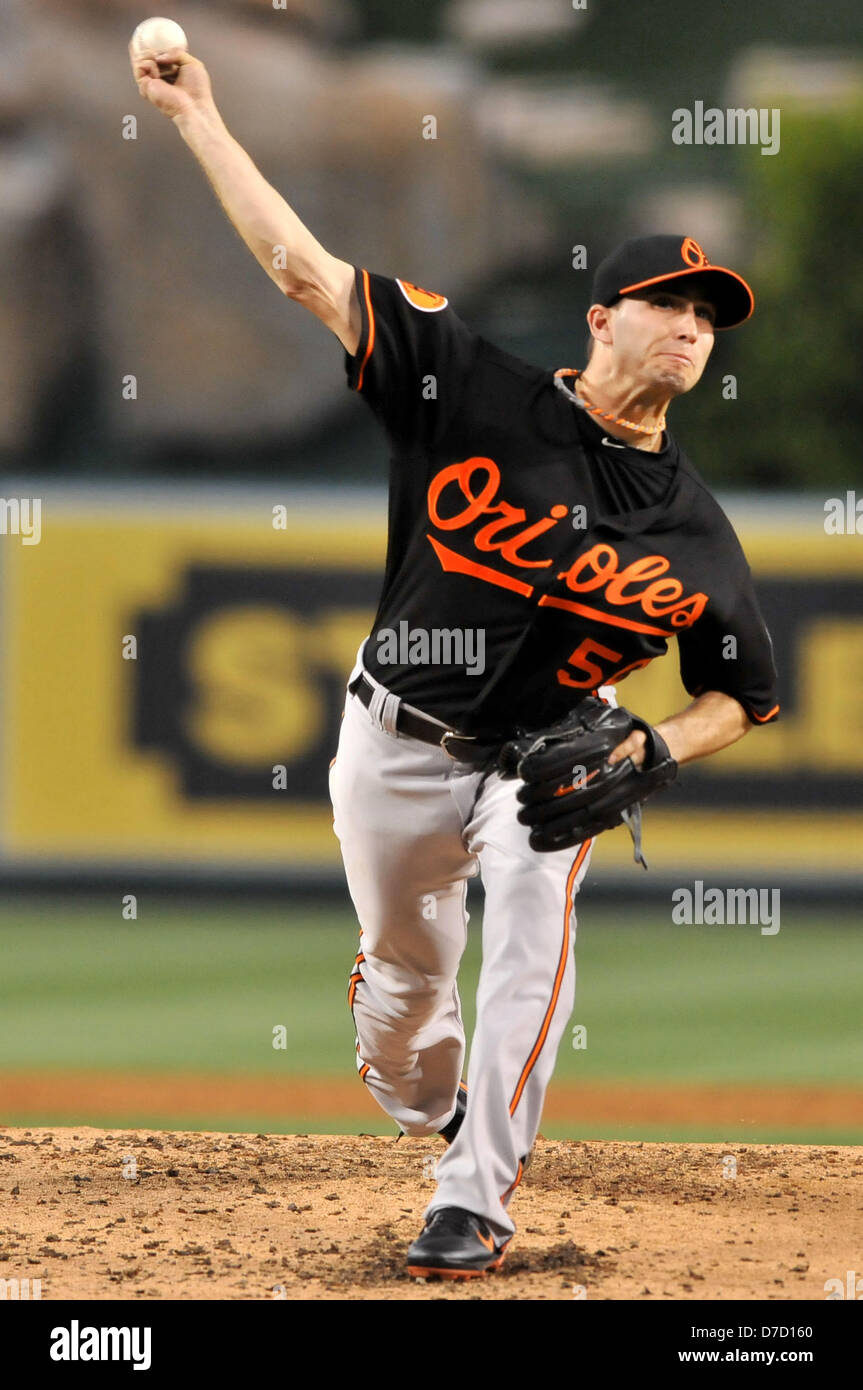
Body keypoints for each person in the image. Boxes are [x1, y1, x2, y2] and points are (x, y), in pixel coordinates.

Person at [132, 45, 779, 1282]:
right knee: (403, 1022)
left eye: (708, 317)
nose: (690, 329)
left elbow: (739, 696)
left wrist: (652, 744)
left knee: (534, 939)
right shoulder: (466, 381)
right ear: (602, 319)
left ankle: (473, 1197)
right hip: (391, 745)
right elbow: (300, 270)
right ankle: (423, 1092)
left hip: (541, 767)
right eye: (669, 303)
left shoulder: (694, 529)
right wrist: (199, 117)